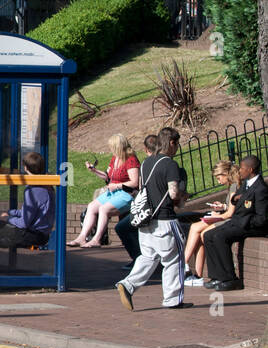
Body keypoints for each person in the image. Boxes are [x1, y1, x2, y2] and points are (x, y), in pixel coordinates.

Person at [115, 133, 186, 310]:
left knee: (148, 257)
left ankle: (128, 284)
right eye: (177, 144)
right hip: (165, 220)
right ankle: (173, 299)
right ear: (171, 143)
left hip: (146, 220)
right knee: (173, 260)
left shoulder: (147, 163)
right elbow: (173, 193)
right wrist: (184, 196)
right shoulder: (170, 164)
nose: (177, 148)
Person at [0, 151, 54, 275]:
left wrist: (7, 218)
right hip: (42, 233)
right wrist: (8, 213)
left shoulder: (32, 190)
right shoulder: (48, 187)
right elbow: (30, 212)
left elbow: (24, 223)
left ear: (25, 168)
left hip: (31, 234)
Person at [201, 154, 268, 292]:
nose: (239, 171)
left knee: (220, 237)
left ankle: (230, 279)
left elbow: (262, 218)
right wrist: (235, 199)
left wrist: (245, 221)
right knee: (208, 235)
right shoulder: (246, 184)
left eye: (242, 168)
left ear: (250, 169)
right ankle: (217, 276)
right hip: (238, 221)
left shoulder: (260, 188)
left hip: (251, 226)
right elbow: (236, 200)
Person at [70, 134, 140, 247]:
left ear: (118, 147)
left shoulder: (131, 160)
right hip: (113, 192)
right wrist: (94, 170)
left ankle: (97, 239)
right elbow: (108, 176)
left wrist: (117, 186)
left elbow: (134, 182)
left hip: (127, 194)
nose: (111, 149)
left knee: (104, 209)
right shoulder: (115, 158)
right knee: (92, 206)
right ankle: (82, 237)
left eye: (112, 147)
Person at [183, 159, 240, 285]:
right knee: (197, 230)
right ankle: (195, 274)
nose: (218, 181)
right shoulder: (232, 186)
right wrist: (223, 207)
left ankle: (184, 263)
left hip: (229, 220)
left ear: (226, 174)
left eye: (219, 178)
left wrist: (216, 216)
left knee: (197, 229)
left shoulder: (235, 187)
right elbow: (231, 207)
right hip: (226, 216)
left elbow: (230, 214)